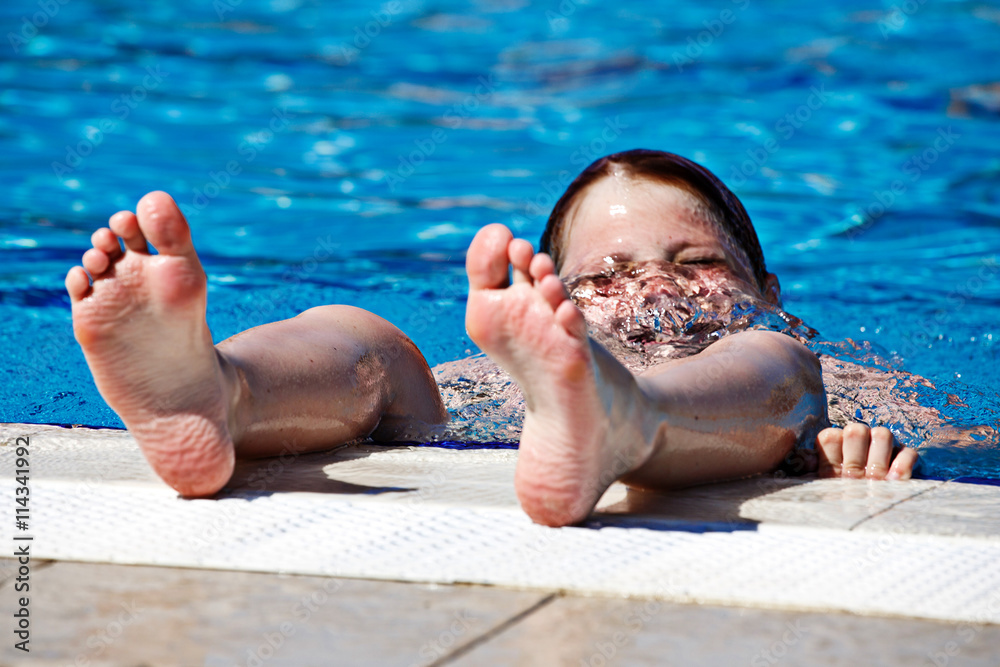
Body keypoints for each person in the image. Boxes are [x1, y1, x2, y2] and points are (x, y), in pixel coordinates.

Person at [64, 149, 918, 528]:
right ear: (558, 301)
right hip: (547, 402)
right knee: (374, 349)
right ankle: (223, 389)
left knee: (780, 362)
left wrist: (857, 450)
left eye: (696, 261)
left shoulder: (819, 364)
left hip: (686, 391)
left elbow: (961, 439)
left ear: (768, 289)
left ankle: (626, 418)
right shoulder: (504, 370)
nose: (656, 289)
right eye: (605, 277)